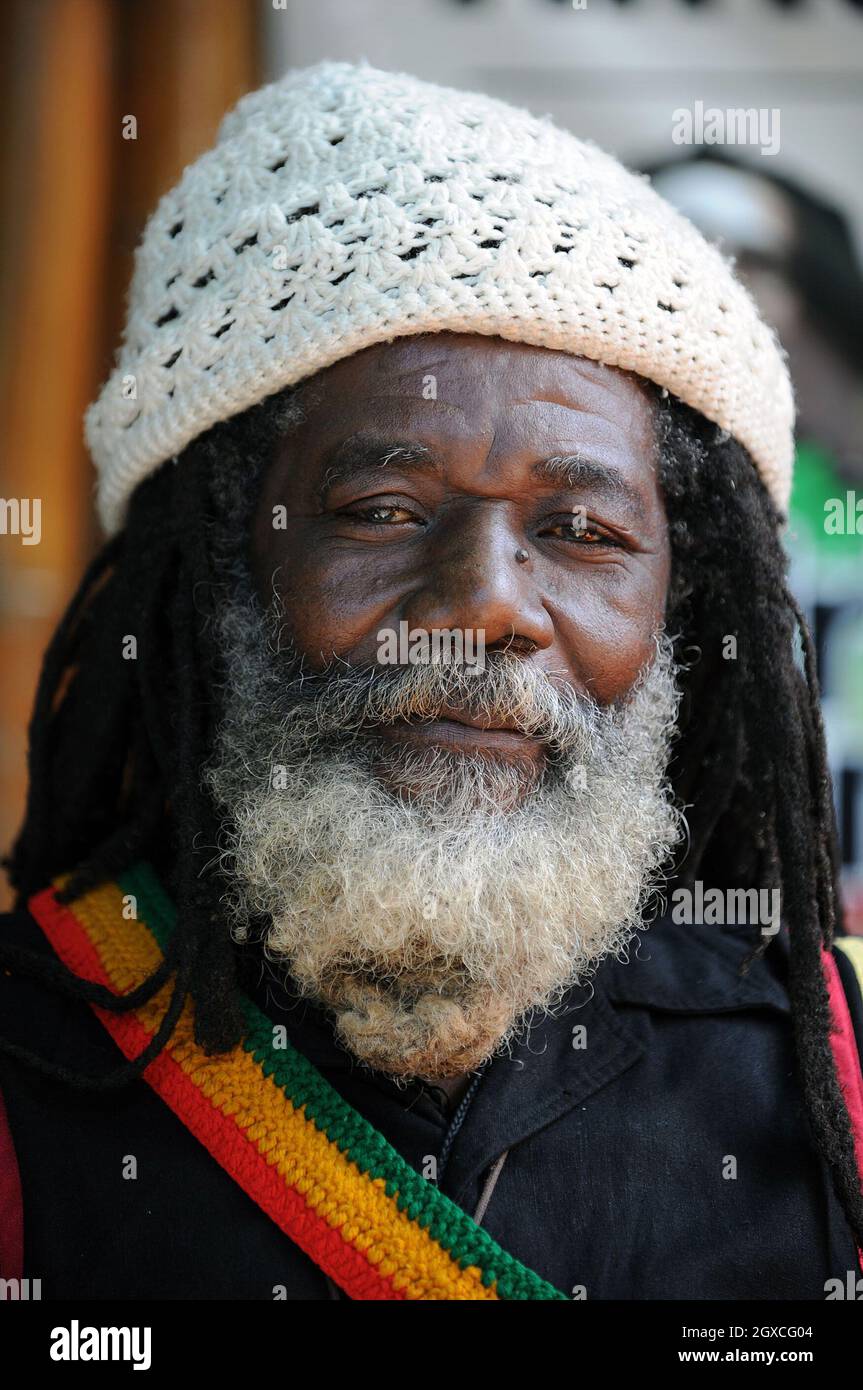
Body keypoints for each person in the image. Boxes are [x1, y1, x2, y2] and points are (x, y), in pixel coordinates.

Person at [1, 59, 861, 1302]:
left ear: (679, 608)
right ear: (227, 568)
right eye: (384, 509)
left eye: (580, 531)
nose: (485, 606)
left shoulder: (825, 1078)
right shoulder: (37, 1065)